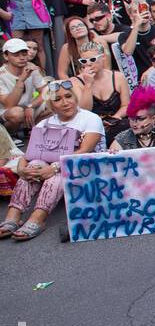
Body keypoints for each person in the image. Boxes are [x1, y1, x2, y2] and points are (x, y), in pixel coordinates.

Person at [0, 80, 102, 241]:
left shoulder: (90, 118)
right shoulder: (45, 123)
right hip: (53, 167)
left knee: (58, 173)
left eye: (68, 96)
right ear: (51, 105)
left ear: (75, 97)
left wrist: (53, 167)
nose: (65, 102)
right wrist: (22, 169)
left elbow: (83, 151)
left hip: (85, 169)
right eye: (58, 99)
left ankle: (37, 218)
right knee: (33, 165)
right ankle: (13, 216)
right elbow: (28, 155)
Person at [109, 86, 155, 152]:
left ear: (153, 118)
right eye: (131, 118)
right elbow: (109, 160)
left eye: (140, 119)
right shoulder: (121, 141)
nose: (134, 123)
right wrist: (113, 157)